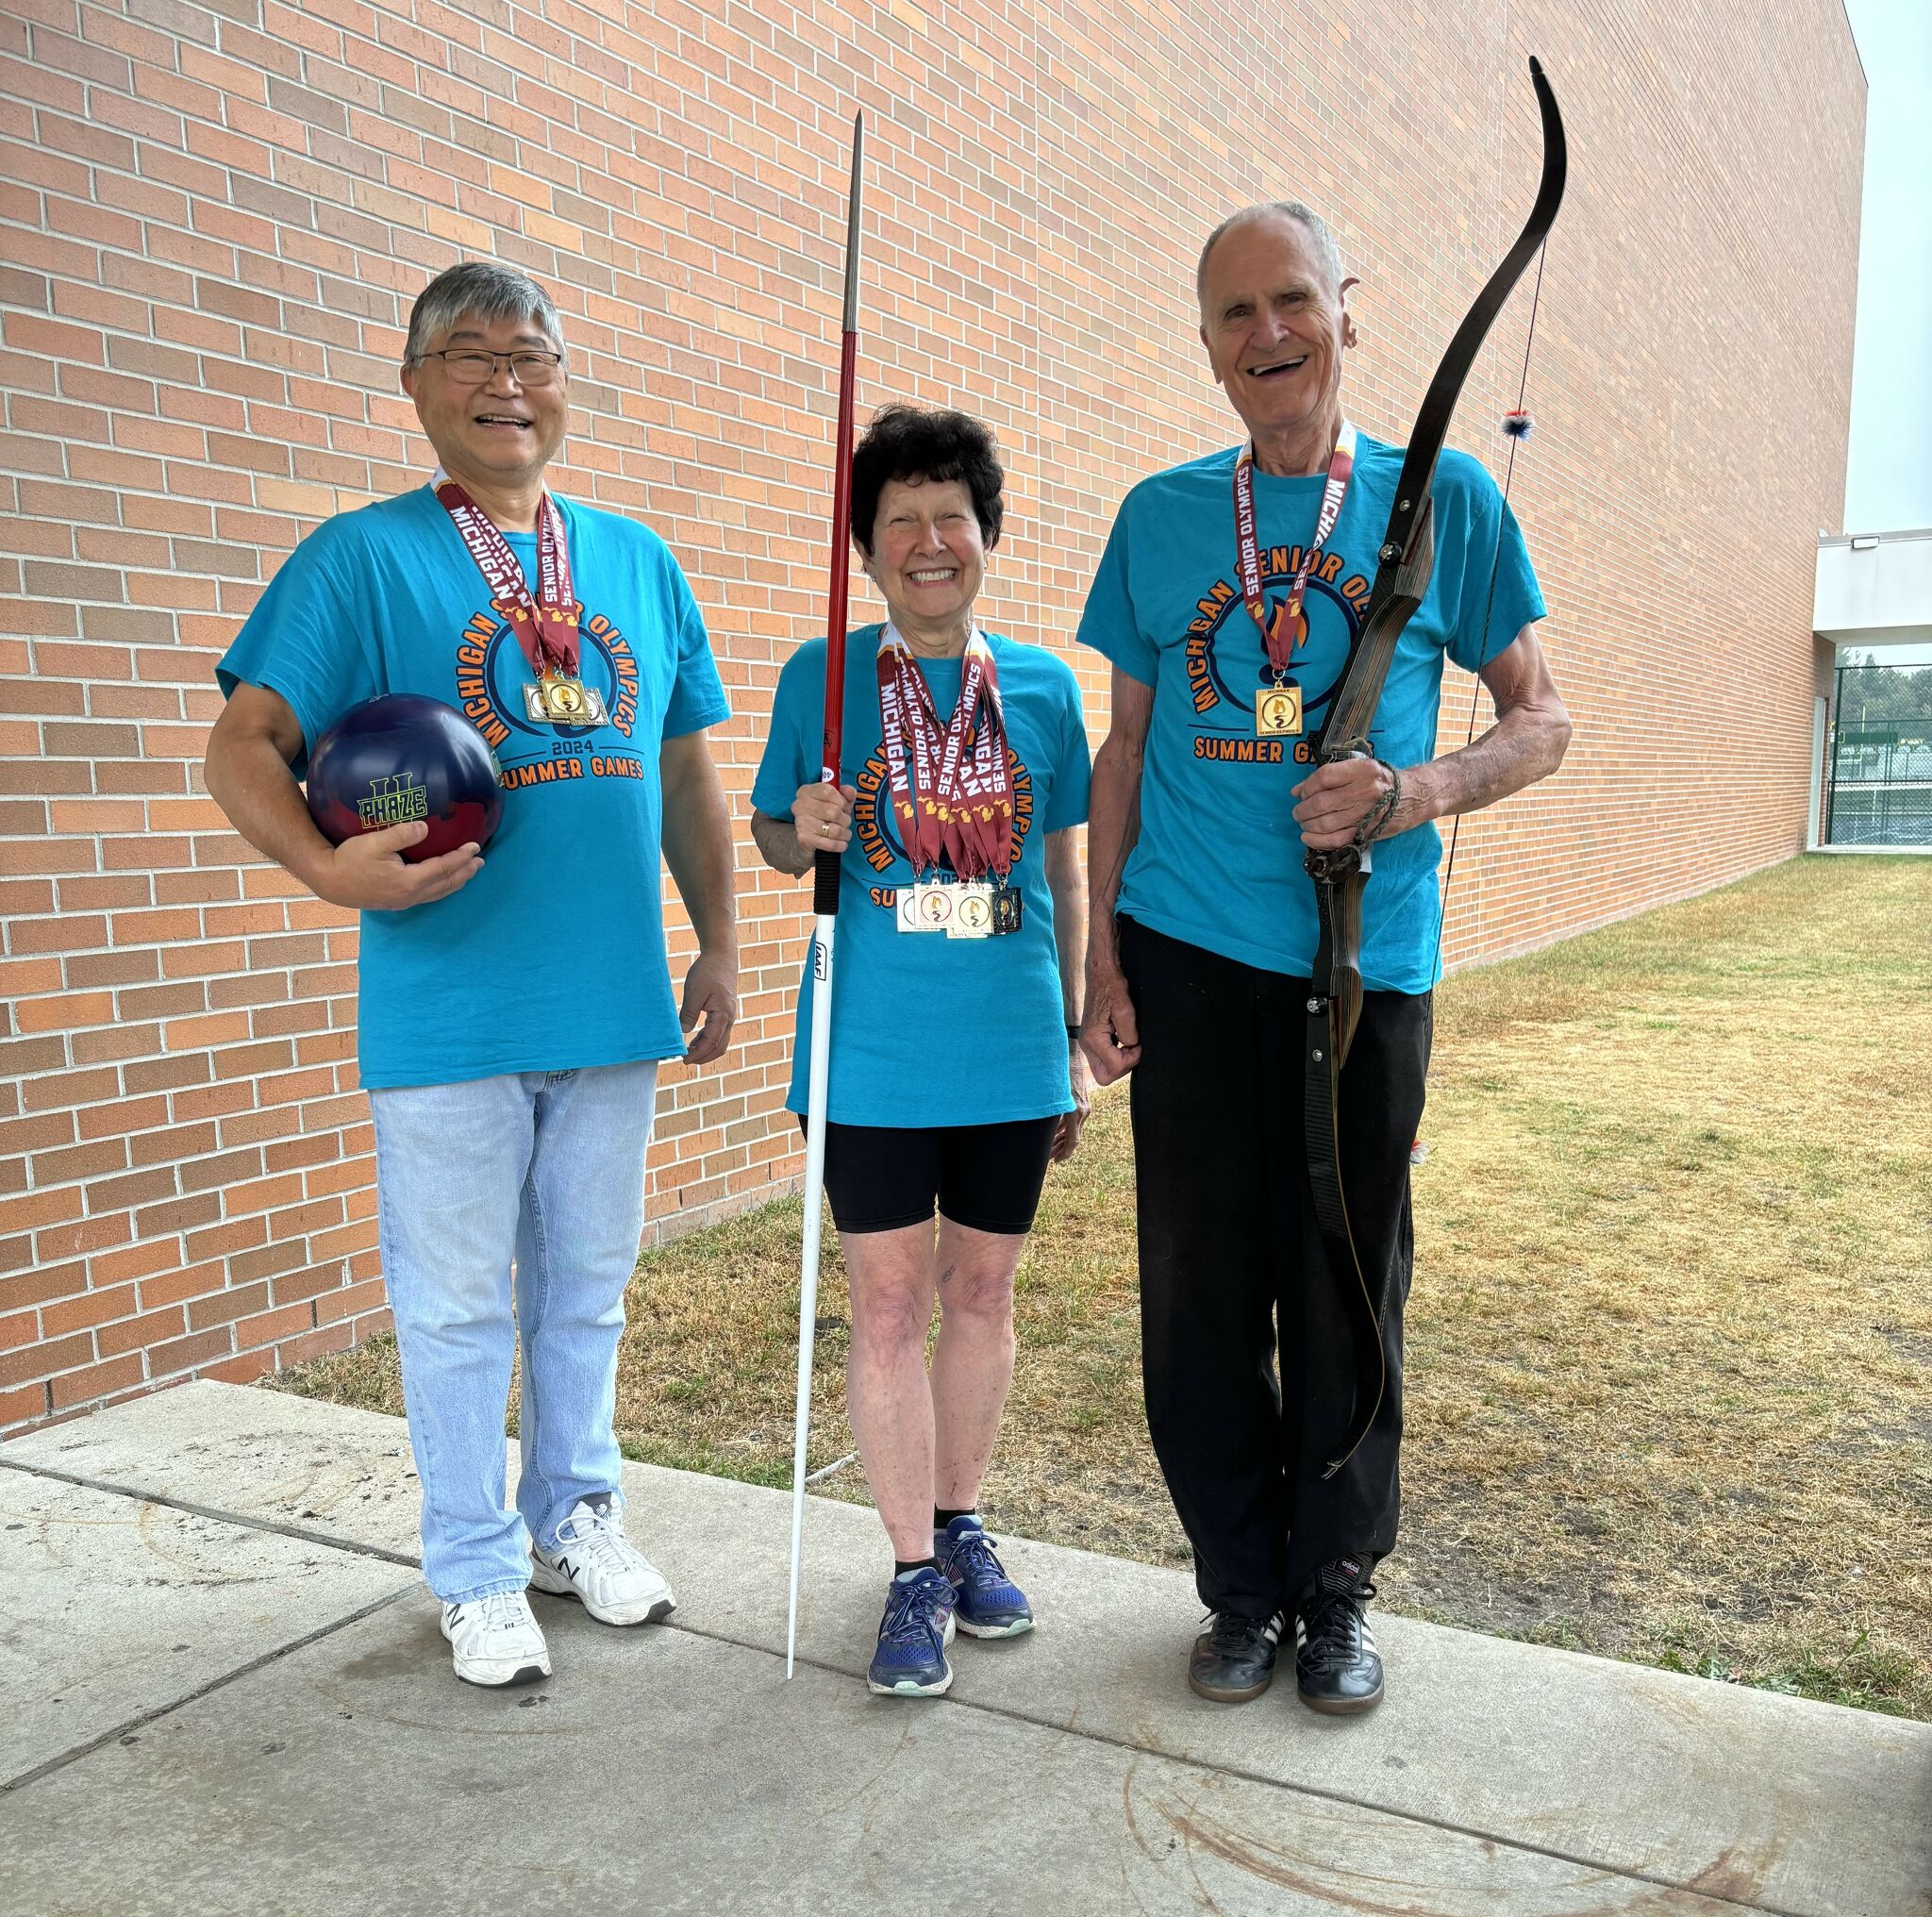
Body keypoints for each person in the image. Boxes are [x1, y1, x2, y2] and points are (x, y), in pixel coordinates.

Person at [203, 261, 739, 1690]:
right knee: (453, 1306)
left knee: (587, 1290)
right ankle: (475, 1567)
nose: (508, 380)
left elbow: (687, 766)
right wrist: (325, 871)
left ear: (566, 381)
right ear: (415, 382)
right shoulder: (358, 557)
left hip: (615, 996)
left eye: (534, 353)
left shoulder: (635, 555)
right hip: (448, 1003)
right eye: (470, 353)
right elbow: (241, 747)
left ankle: (576, 1517)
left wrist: (724, 939)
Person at [1077, 204, 1571, 1714]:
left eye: (1292, 300)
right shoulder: (1164, 516)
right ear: (1207, 342)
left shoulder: (1446, 502)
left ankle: (1334, 1591)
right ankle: (1238, 1591)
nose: (1267, 334)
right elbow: (1128, 748)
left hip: (1369, 974)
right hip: (1189, 959)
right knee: (1199, 1295)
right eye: (1234, 313)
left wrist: (1413, 794)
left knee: (1351, 1286)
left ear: (1347, 313)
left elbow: (1544, 721)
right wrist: (1097, 959)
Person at [750, 406, 1092, 1698]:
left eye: (952, 514)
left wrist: (1067, 1032)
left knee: (984, 1298)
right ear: (871, 546)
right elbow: (779, 835)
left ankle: (959, 1524)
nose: (930, 541)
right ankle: (907, 1573)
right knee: (890, 1304)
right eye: (901, 520)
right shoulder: (821, 679)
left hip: (1007, 1047)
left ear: (985, 535)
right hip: (874, 1052)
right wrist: (808, 828)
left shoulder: (1046, 689)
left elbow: (1059, 863)